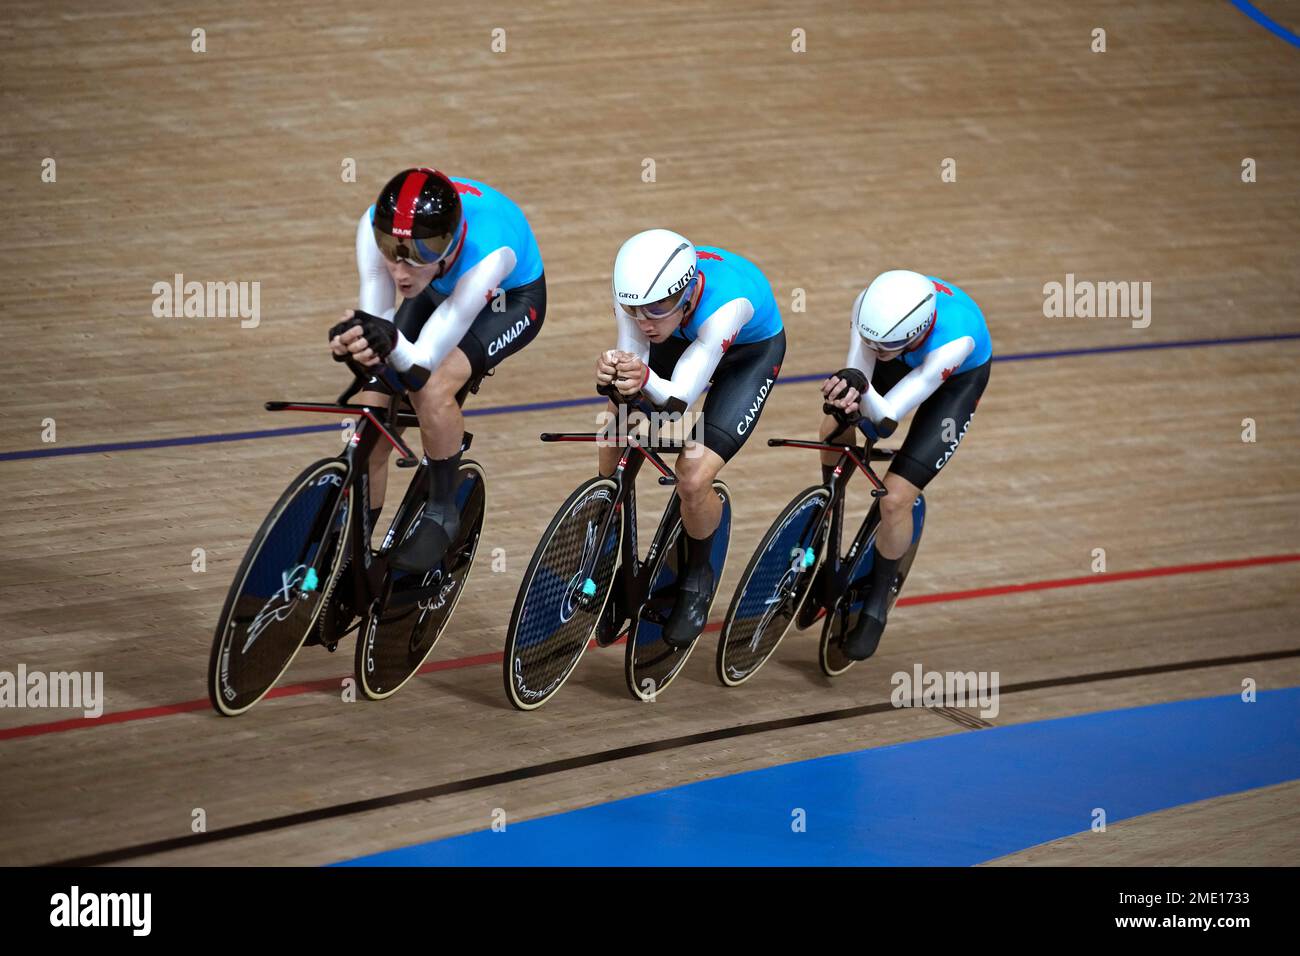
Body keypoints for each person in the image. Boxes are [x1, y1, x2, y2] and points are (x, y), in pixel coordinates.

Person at [328, 167, 544, 570]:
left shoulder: (489, 254)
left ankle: (442, 512)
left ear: (450, 242)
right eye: (392, 251)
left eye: (421, 253)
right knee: (374, 410)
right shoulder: (377, 227)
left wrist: (389, 343)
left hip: (506, 299)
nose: (401, 270)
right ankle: (354, 551)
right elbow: (378, 322)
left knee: (433, 389)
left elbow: (421, 365)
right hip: (439, 284)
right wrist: (357, 345)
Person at [597, 229, 785, 648]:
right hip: (680, 339)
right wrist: (619, 378)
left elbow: (677, 402)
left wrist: (643, 379)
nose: (644, 320)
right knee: (615, 425)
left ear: (685, 293)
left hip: (745, 359)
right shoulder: (642, 299)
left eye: (657, 308)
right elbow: (635, 368)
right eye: (634, 309)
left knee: (693, 476)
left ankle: (697, 575)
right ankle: (604, 537)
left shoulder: (726, 306)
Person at [820, 269, 992, 660]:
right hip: (898, 351)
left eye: (887, 344)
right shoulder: (869, 310)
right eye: (871, 340)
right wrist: (848, 394)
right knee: (833, 422)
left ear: (918, 331)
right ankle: (826, 505)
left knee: (895, 498)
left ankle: (878, 599)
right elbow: (859, 371)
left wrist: (863, 395)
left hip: (951, 385)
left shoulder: (954, 340)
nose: (876, 348)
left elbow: (886, 419)